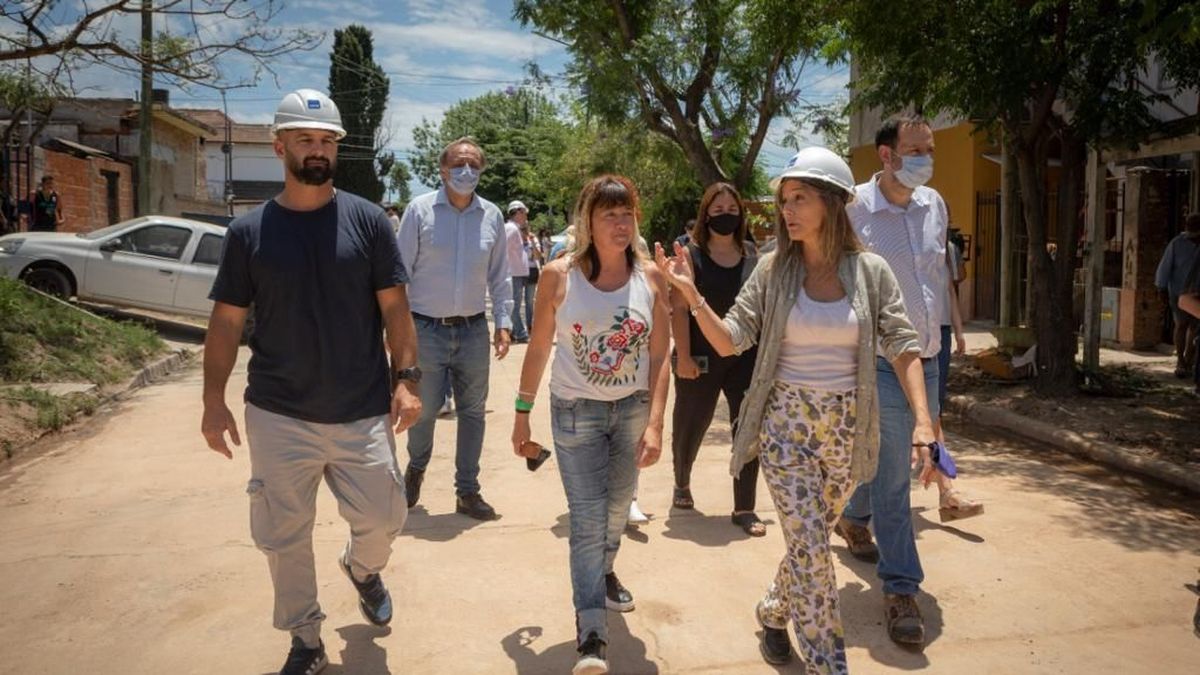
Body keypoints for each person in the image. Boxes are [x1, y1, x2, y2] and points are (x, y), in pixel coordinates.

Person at [656, 146, 934, 673]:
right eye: (785, 198)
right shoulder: (772, 270)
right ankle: (830, 665)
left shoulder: (870, 272)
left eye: (800, 197)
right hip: (787, 428)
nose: (787, 209)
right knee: (815, 554)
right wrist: (691, 297)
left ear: (832, 202)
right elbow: (731, 339)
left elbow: (902, 344)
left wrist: (923, 420)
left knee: (806, 548)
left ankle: (772, 609)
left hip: (846, 431)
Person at [200, 88, 421, 675]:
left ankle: (364, 568)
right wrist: (212, 401)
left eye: (326, 140)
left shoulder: (369, 221)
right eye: (305, 139)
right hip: (278, 411)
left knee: (384, 518)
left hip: (361, 406)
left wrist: (407, 378)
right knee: (283, 534)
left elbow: (396, 310)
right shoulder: (249, 233)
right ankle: (305, 639)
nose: (317, 150)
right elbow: (225, 322)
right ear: (280, 146)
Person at [512, 175, 670, 675]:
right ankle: (592, 632)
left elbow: (660, 353)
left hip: (631, 410)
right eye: (609, 215)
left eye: (627, 215)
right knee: (586, 518)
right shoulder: (559, 276)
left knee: (618, 510)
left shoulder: (651, 278)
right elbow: (538, 347)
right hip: (575, 410)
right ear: (588, 221)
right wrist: (521, 415)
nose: (620, 224)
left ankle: (602, 571)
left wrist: (656, 422)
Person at [833, 114, 948, 646]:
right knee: (896, 476)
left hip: (928, 355)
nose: (927, 156)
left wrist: (949, 337)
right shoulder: (853, 208)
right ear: (886, 155)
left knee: (885, 463)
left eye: (930, 148)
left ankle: (854, 517)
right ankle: (902, 587)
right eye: (916, 149)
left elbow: (933, 280)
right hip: (876, 360)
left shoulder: (935, 206)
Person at [396, 137, 512, 521]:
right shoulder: (420, 211)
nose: (467, 171)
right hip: (425, 330)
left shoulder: (492, 216)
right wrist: (397, 331)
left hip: (474, 330)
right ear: (443, 170)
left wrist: (505, 323)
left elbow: (500, 275)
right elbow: (400, 273)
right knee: (424, 410)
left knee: (474, 413)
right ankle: (416, 467)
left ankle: (468, 491)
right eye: (459, 164)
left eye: (474, 164)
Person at [668, 182, 766, 537]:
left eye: (732, 210)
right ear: (705, 214)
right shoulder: (690, 256)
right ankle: (682, 481)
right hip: (700, 355)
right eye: (718, 210)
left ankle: (745, 507)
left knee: (748, 428)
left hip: (746, 357)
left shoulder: (755, 257)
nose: (726, 216)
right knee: (690, 425)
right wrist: (683, 356)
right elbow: (678, 309)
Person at [927, 236, 983, 521]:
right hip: (897, 335)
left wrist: (959, 331)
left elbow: (949, 290)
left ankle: (946, 489)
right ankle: (857, 505)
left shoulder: (946, 248)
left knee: (933, 413)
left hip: (940, 332)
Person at [1155, 213, 1200, 378]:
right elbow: (1164, 268)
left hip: (1197, 293)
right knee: (1181, 325)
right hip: (1179, 293)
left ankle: (1189, 360)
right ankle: (1180, 359)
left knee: (1195, 327)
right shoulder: (1177, 244)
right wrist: (1161, 289)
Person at [505, 200, 534, 343]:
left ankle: (514, 332)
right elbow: (501, 247)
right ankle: (521, 334)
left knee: (515, 305)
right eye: (524, 212)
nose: (526, 216)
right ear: (517, 212)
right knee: (514, 306)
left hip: (517, 273)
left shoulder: (513, 228)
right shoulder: (511, 228)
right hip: (514, 273)